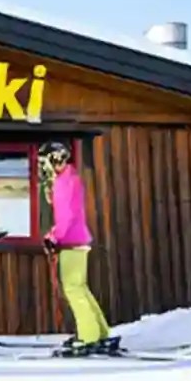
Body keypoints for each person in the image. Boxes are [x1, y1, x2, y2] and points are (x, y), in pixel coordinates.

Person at [39, 141, 120, 356]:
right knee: (81, 288)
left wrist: (54, 238)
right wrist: (53, 235)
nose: (43, 167)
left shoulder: (63, 184)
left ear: (55, 158)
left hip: (71, 241)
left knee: (73, 289)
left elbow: (66, 217)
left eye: (45, 161)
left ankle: (89, 337)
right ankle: (99, 332)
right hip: (77, 238)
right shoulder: (70, 178)